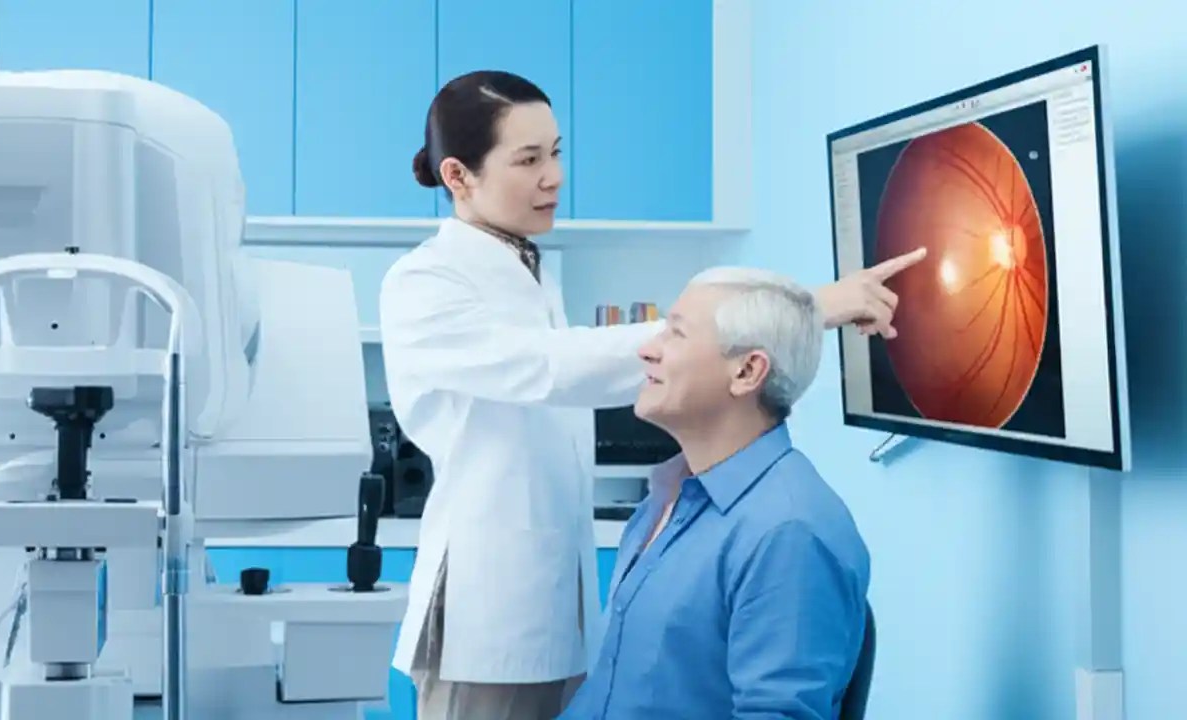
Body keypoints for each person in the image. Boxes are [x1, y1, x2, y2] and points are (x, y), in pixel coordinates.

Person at [377, 70, 922, 720]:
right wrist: (802, 308)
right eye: (528, 160)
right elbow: (551, 367)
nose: (554, 177)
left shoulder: (785, 527)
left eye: (556, 152)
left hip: (556, 609)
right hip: (491, 616)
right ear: (458, 176)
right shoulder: (424, 282)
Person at [558, 267, 868, 719]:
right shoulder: (668, 495)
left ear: (747, 371)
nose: (647, 350)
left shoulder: (788, 534)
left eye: (677, 333)